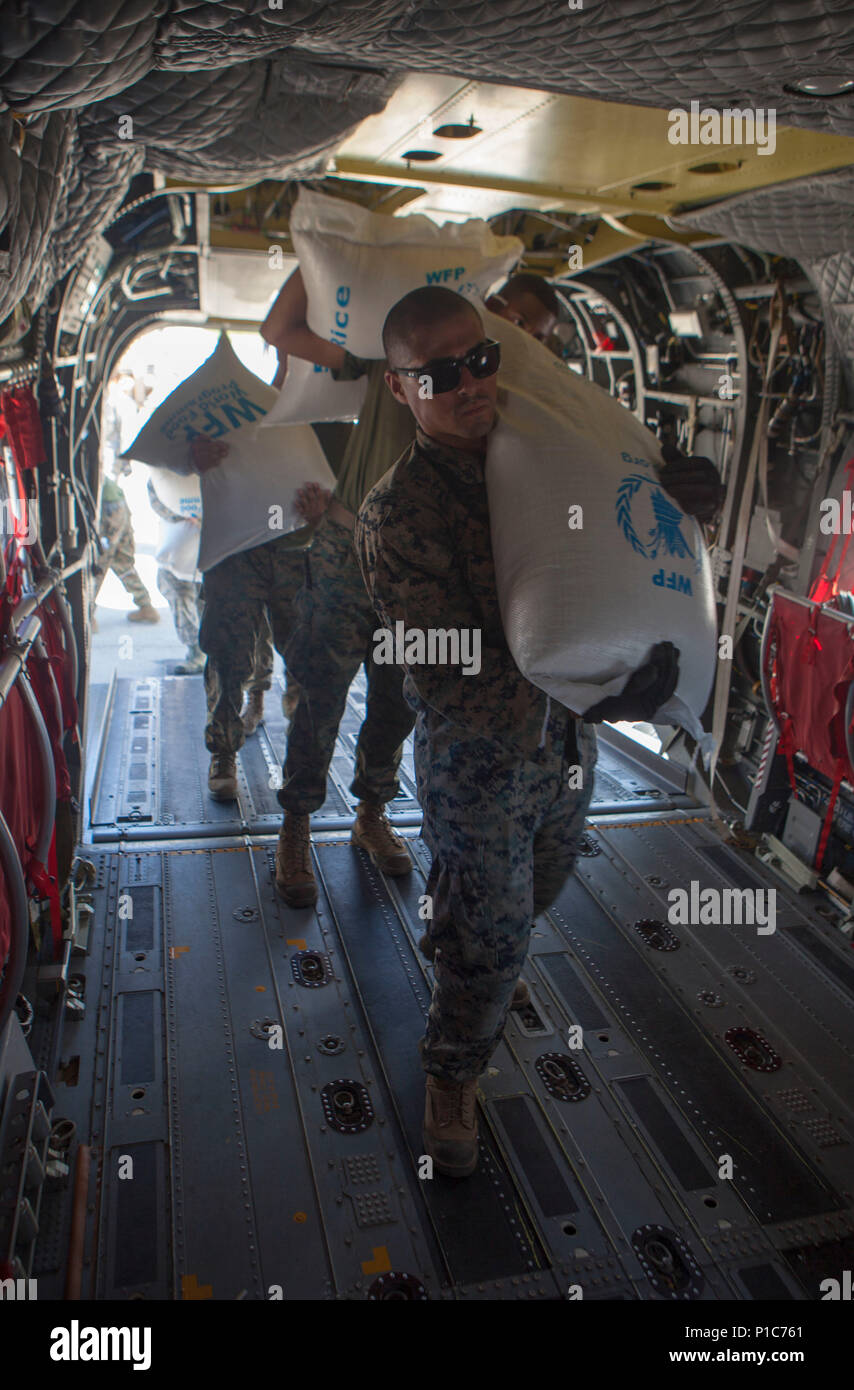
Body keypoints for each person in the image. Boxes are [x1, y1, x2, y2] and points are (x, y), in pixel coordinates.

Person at [355, 285, 718, 1179]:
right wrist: (581, 679)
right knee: (495, 928)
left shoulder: (555, 456)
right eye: (439, 374)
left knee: (544, 881)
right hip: (476, 759)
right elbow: (435, 667)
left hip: (563, 748)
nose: (469, 384)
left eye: (479, 360)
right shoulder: (398, 514)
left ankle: (474, 952)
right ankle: (451, 1072)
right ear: (400, 388)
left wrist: (678, 502)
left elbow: (629, 533)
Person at [259, 267, 420, 904]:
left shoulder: (487, 388)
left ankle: (370, 814)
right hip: (347, 551)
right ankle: (296, 822)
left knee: (398, 699)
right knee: (322, 692)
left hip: (418, 571)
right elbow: (280, 328)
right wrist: (338, 249)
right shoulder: (390, 354)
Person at [189, 433, 327, 799]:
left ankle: (302, 764)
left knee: (304, 655)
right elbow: (170, 454)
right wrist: (193, 459)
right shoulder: (222, 409)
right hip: (234, 547)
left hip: (293, 544)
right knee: (227, 652)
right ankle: (223, 751)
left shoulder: (308, 399)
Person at [92, 475, 159, 627]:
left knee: (98, 563)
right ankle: (145, 604)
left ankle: (87, 616)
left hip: (107, 506)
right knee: (122, 560)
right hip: (117, 502)